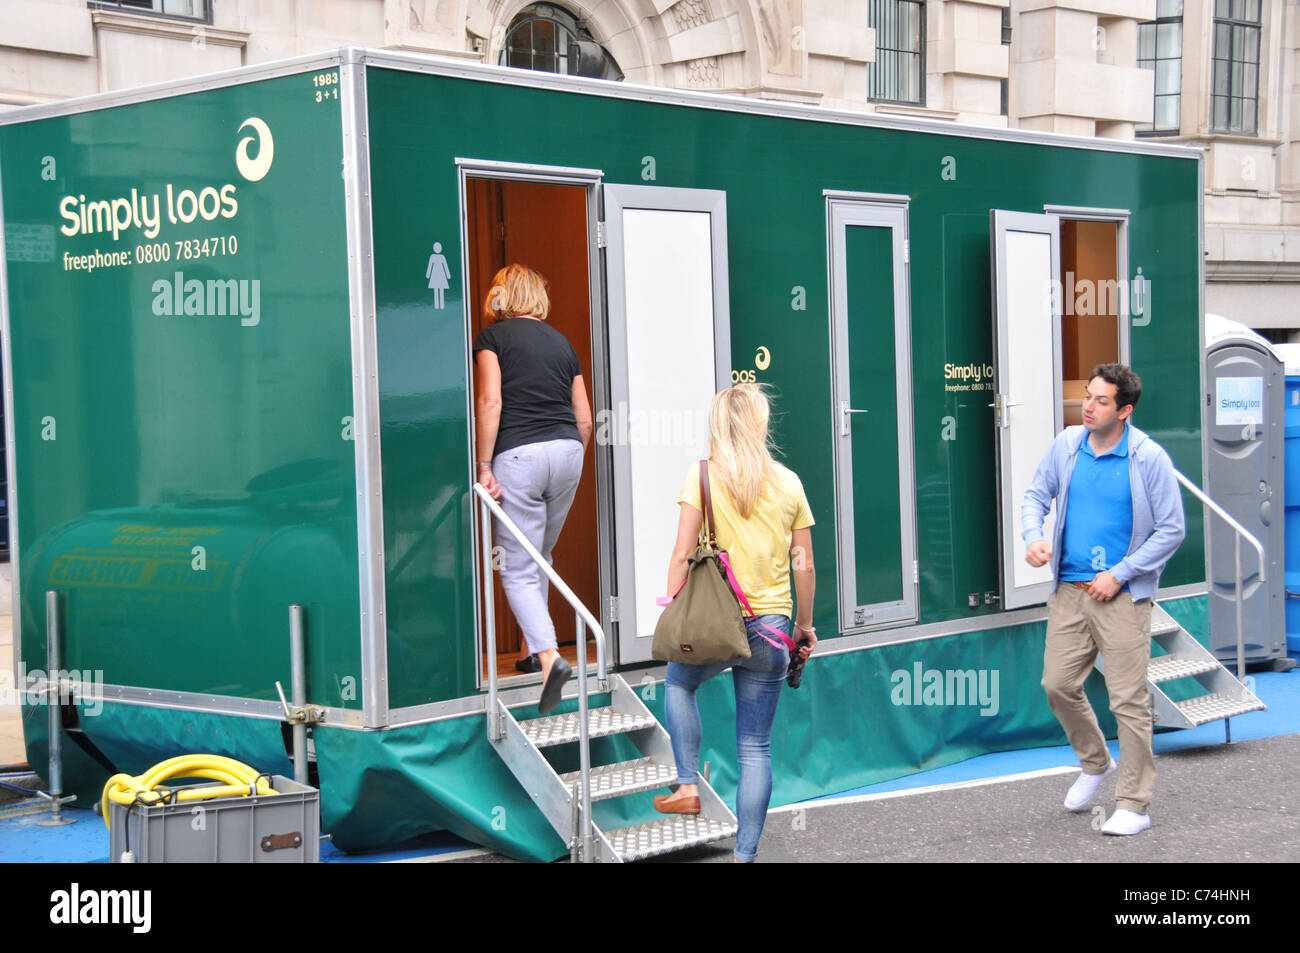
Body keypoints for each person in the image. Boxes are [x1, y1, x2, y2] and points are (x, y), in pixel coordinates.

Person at [652, 384, 816, 863]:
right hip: (772, 629)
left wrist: (671, 609)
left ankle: (687, 784)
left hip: (715, 622)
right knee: (755, 747)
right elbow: (803, 565)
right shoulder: (788, 483)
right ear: (760, 424)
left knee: (679, 684)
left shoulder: (701, 476)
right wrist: (803, 626)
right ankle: (745, 856)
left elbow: (682, 555)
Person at [1022, 363, 1185, 836]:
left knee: (1129, 701)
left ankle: (1134, 804)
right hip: (1068, 592)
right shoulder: (1067, 444)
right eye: (1087, 396)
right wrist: (1034, 536)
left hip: (1123, 597)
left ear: (1125, 410)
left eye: (1100, 401)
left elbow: (1171, 529)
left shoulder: (1148, 458)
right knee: (1056, 684)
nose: (1087, 406)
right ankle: (1096, 762)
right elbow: (1036, 495)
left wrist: (1120, 573)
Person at [473, 264, 592, 714]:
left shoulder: (493, 340)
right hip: (567, 453)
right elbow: (584, 418)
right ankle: (537, 653)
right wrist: (571, 457)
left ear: (501, 296)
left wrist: (484, 464)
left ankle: (548, 657)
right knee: (539, 557)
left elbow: (490, 401)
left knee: (518, 568)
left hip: (518, 456)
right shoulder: (562, 343)